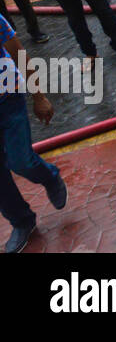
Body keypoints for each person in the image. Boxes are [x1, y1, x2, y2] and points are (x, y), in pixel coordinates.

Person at [0, 16, 65, 254]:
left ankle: (49, 176)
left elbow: (18, 53)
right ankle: (22, 221)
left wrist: (39, 97)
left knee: (21, 160)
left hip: (8, 100)